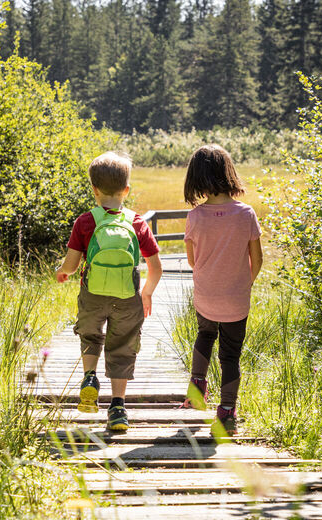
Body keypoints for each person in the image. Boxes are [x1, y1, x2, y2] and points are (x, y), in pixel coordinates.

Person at [55, 151, 162, 431]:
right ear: (126, 190)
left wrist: (63, 272)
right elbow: (156, 267)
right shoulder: (137, 223)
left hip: (92, 293)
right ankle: (117, 407)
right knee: (123, 345)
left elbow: (72, 262)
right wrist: (147, 293)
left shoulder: (85, 221)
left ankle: (90, 377)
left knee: (90, 335)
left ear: (94, 190)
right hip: (128, 297)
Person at [181, 144, 263, 436]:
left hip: (206, 295)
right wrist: (242, 283)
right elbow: (258, 259)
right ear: (229, 172)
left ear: (197, 177)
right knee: (230, 355)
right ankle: (227, 409)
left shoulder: (195, 217)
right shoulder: (246, 214)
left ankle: (197, 384)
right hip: (236, 298)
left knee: (205, 335)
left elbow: (192, 261)